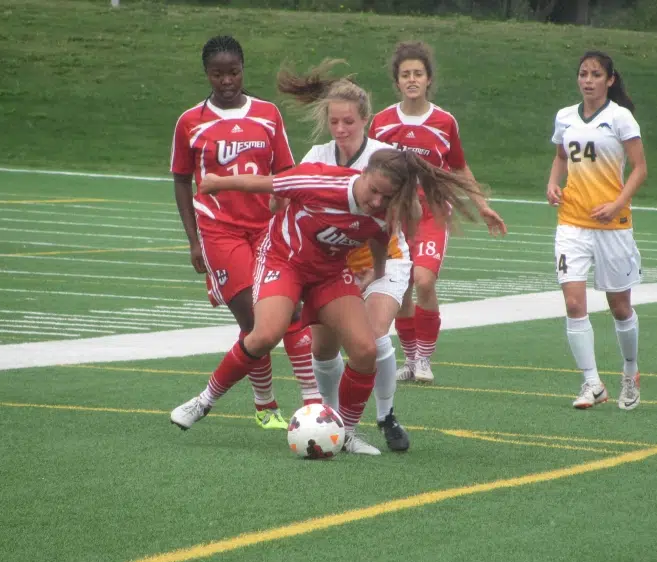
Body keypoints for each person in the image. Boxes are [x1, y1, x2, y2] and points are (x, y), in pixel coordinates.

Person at [169, 149, 485, 455]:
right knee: (266, 334)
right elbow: (264, 183)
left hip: (330, 274)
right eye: (374, 190)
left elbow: (379, 238)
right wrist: (214, 184)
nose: (376, 201)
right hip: (283, 260)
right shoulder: (318, 181)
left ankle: (345, 432)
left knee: (365, 350)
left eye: (386, 197)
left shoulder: (386, 210)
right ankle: (203, 401)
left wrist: (376, 273)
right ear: (363, 174)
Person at [169, 35, 320, 431]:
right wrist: (193, 239)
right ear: (207, 74)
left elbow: (286, 172)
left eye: (233, 72)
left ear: (243, 69)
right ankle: (267, 406)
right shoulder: (191, 122)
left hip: (268, 233)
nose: (226, 81)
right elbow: (182, 180)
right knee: (257, 321)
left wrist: (287, 217)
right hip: (220, 232)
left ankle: (310, 406)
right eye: (217, 74)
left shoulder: (268, 114)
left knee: (291, 316)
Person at [276, 59, 411, 453]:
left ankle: (385, 415)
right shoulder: (317, 154)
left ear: (365, 119)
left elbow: (397, 218)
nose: (341, 130)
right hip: (331, 264)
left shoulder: (385, 157)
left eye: (348, 122)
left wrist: (372, 263)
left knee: (372, 336)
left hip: (384, 258)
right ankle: (334, 425)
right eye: (334, 122)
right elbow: (290, 201)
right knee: (323, 347)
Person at [369, 41, 506, 385]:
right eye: (405, 74)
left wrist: (482, 205)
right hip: (394, 218)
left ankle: (425, 358)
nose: (412, 79)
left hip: (431, 215)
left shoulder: (444, 121)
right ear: (397, 81)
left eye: (418, 73)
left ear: (429, 79)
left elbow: (459, 167)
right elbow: (365, 169)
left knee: (424, 281)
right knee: (399, 290)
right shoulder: (382, 122)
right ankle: (411, 359)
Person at [545, 50, 647, 410]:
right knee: (574, 302)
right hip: (572, 222)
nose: (588, 80)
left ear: (610, 80)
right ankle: (592, 383)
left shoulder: (621, 118)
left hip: (613, 226)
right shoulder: (565, 117)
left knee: (620, 307)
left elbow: (639, 168)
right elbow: (561, 157)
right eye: (583, 74)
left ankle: (630, 372)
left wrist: (617, 204)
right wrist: (553, 184)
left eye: (595, 75)